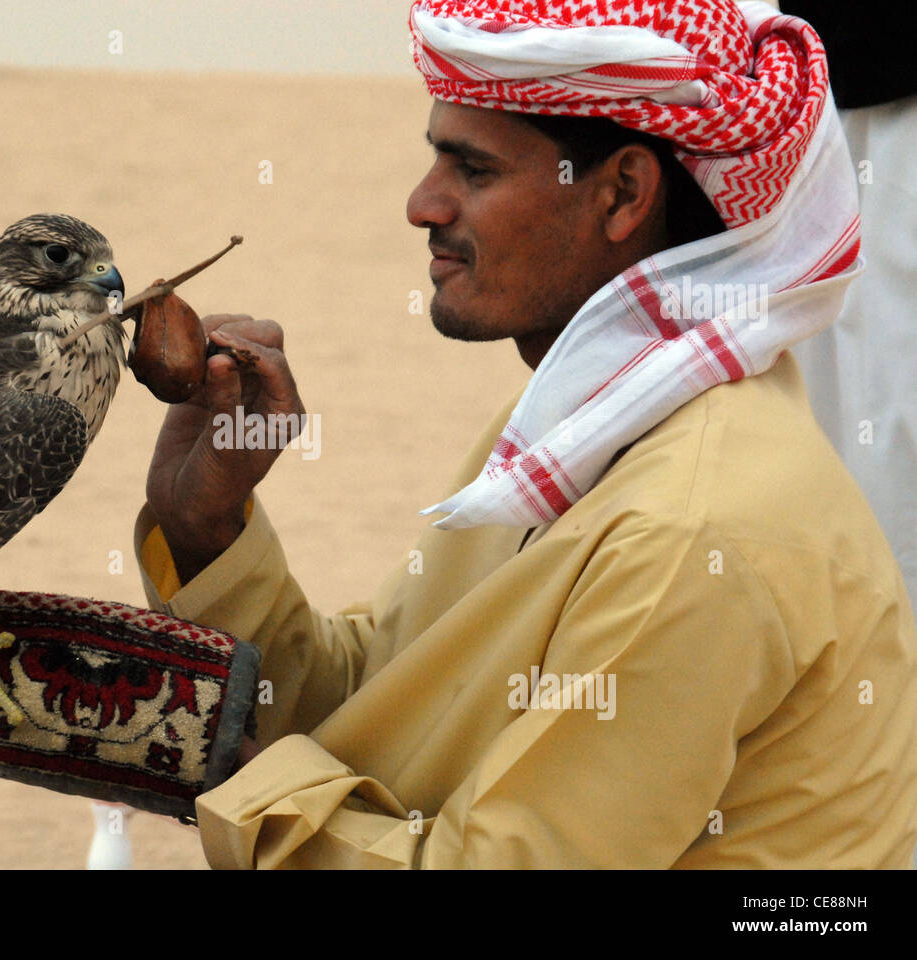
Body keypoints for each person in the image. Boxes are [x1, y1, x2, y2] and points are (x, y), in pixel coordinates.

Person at [130, 0, 917, 868]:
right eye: (435, 159)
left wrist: (255, 806)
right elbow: (384, 698)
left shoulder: (690, 530)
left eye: (471, 170)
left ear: (620, 193)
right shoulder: (588, 416)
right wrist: (207, 528)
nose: (421, 205)